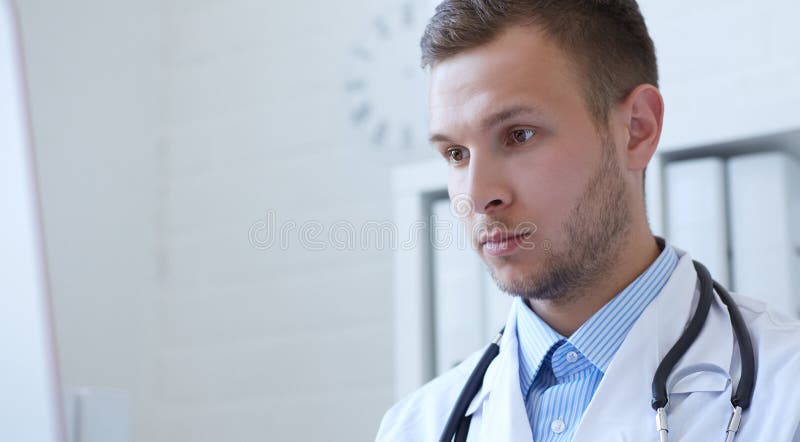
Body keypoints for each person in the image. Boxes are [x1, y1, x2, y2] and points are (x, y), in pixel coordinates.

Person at [375, 1, 800, 441]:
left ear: (636, 129)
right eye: (456, 154)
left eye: (519, 135)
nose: (478, 197)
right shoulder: (415, 426)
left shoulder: (786, 391)